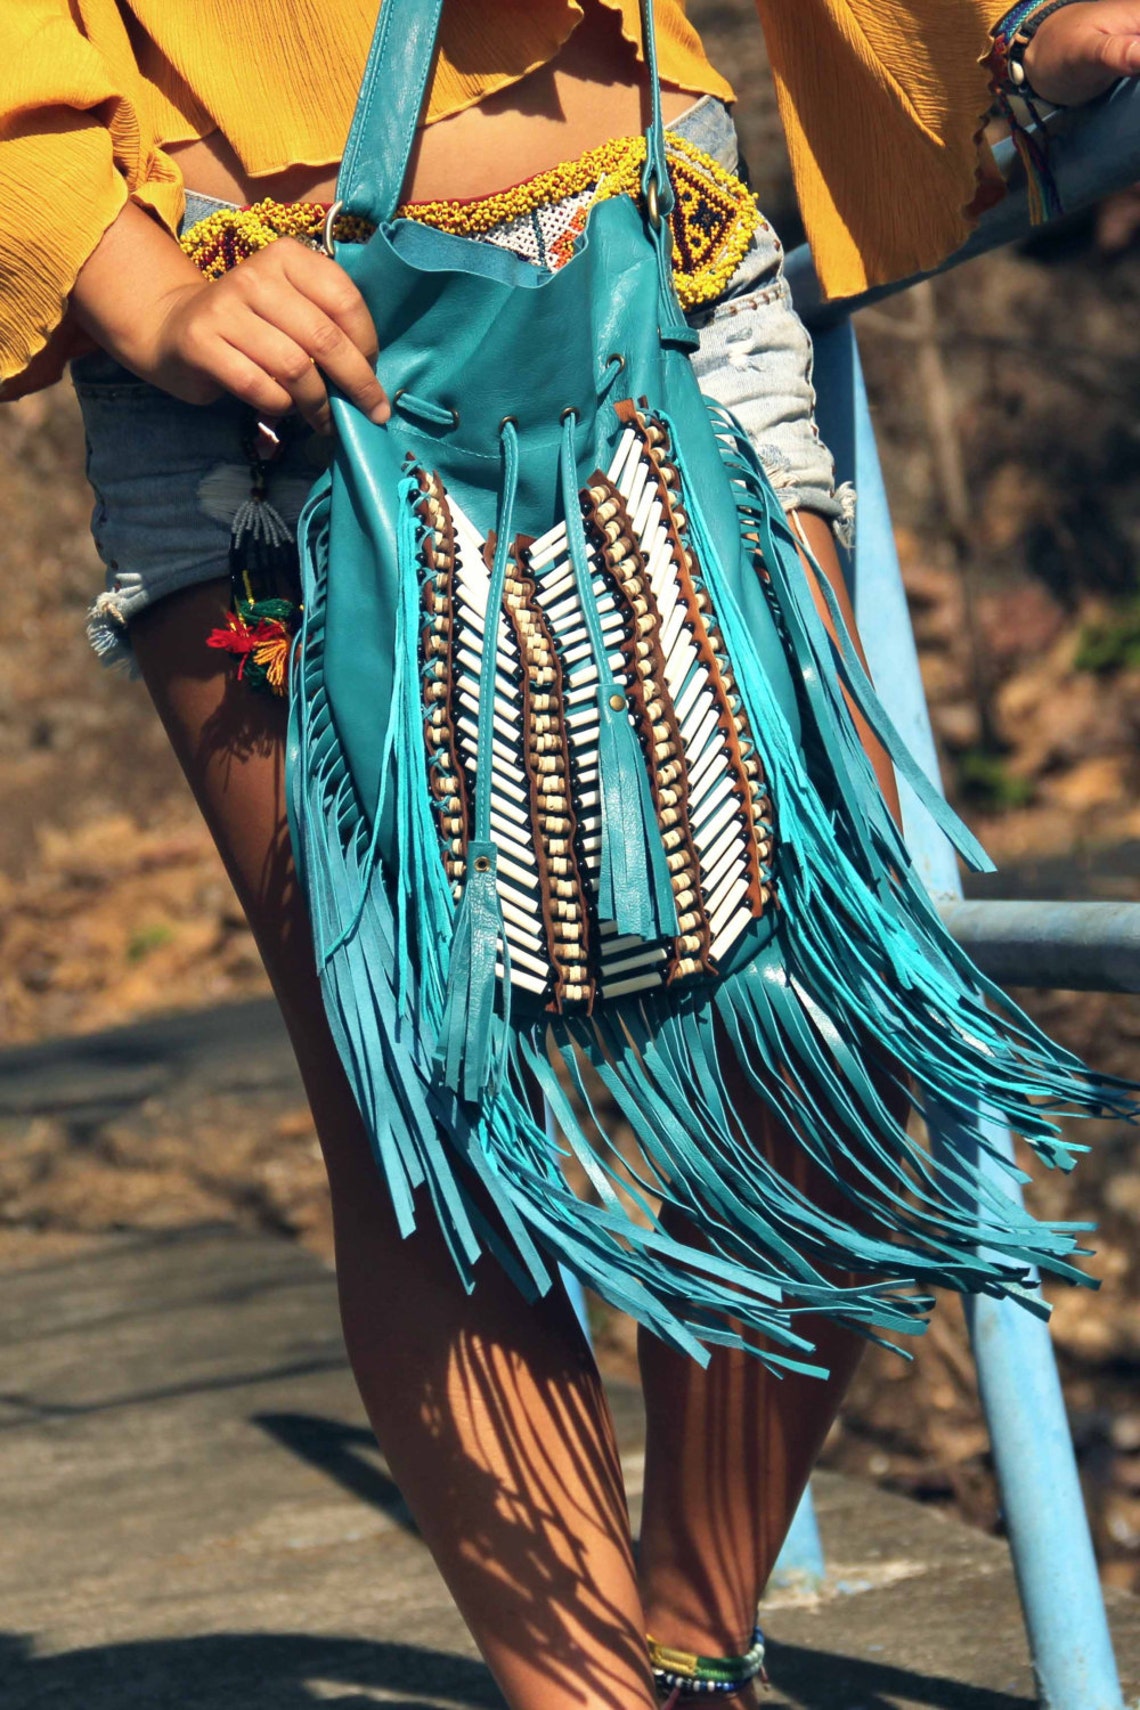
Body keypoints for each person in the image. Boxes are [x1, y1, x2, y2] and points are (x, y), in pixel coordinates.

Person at [1, 4, 1137, 1707]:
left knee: (820, 1024)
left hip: (651, 251)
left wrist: (1003, 27)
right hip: (262, 338)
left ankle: (690, 1643)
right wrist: (139, 290)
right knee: (436, 1120)